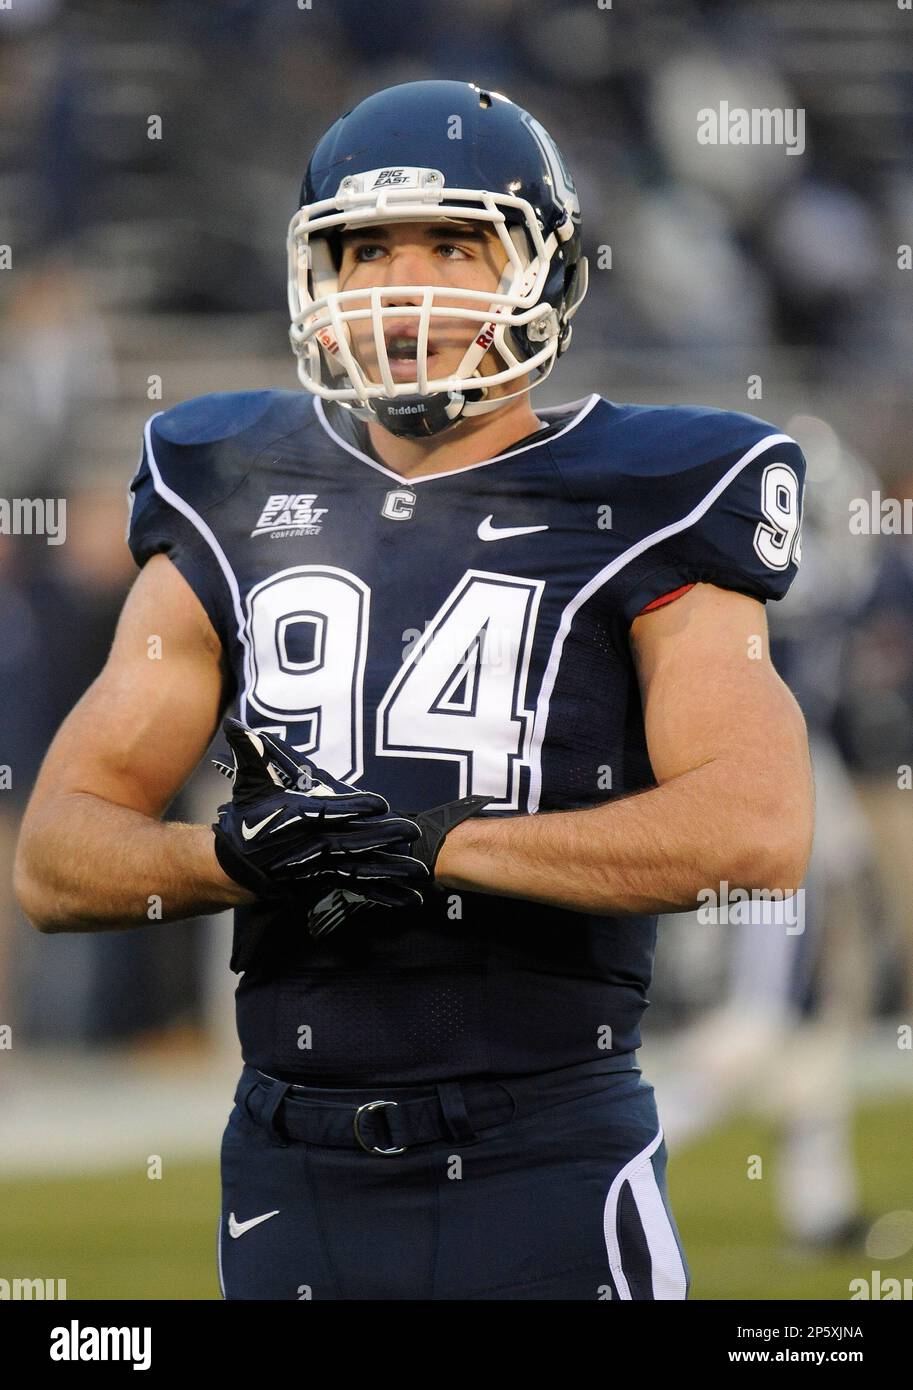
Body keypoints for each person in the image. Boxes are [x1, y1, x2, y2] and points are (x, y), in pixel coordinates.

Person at [14, 79, 814, 1301]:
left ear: (544, 273)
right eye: (364, 249)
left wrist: (434, 845)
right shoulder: (227, 480)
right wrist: (239, 859)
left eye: (456, 243)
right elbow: (57, 856)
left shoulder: (653, 489)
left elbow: (755, 830)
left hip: (545, 1147)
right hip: (287, 1159)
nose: (406, 285)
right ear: (315, 281)